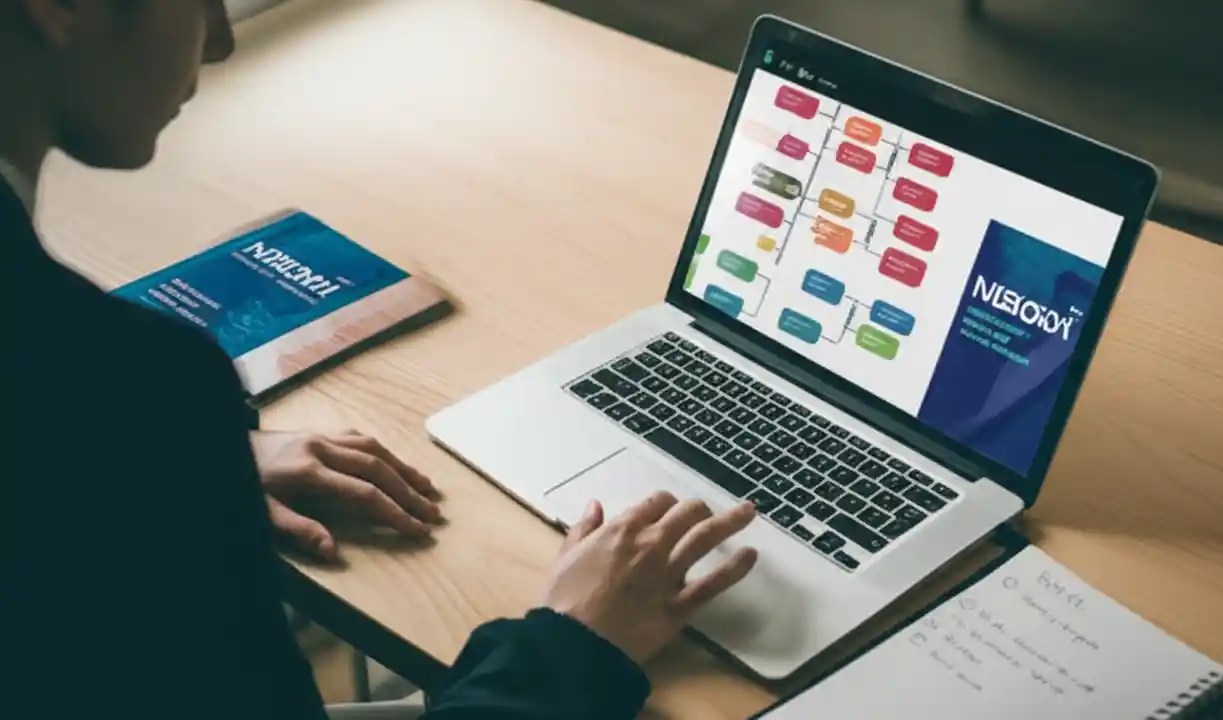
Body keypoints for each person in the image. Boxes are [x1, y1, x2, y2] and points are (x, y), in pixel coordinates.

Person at [1, 2, 760, 718]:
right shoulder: (121, 382)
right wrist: (578, 644)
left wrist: (158, 460)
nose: (219, 39)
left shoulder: (97, 401)